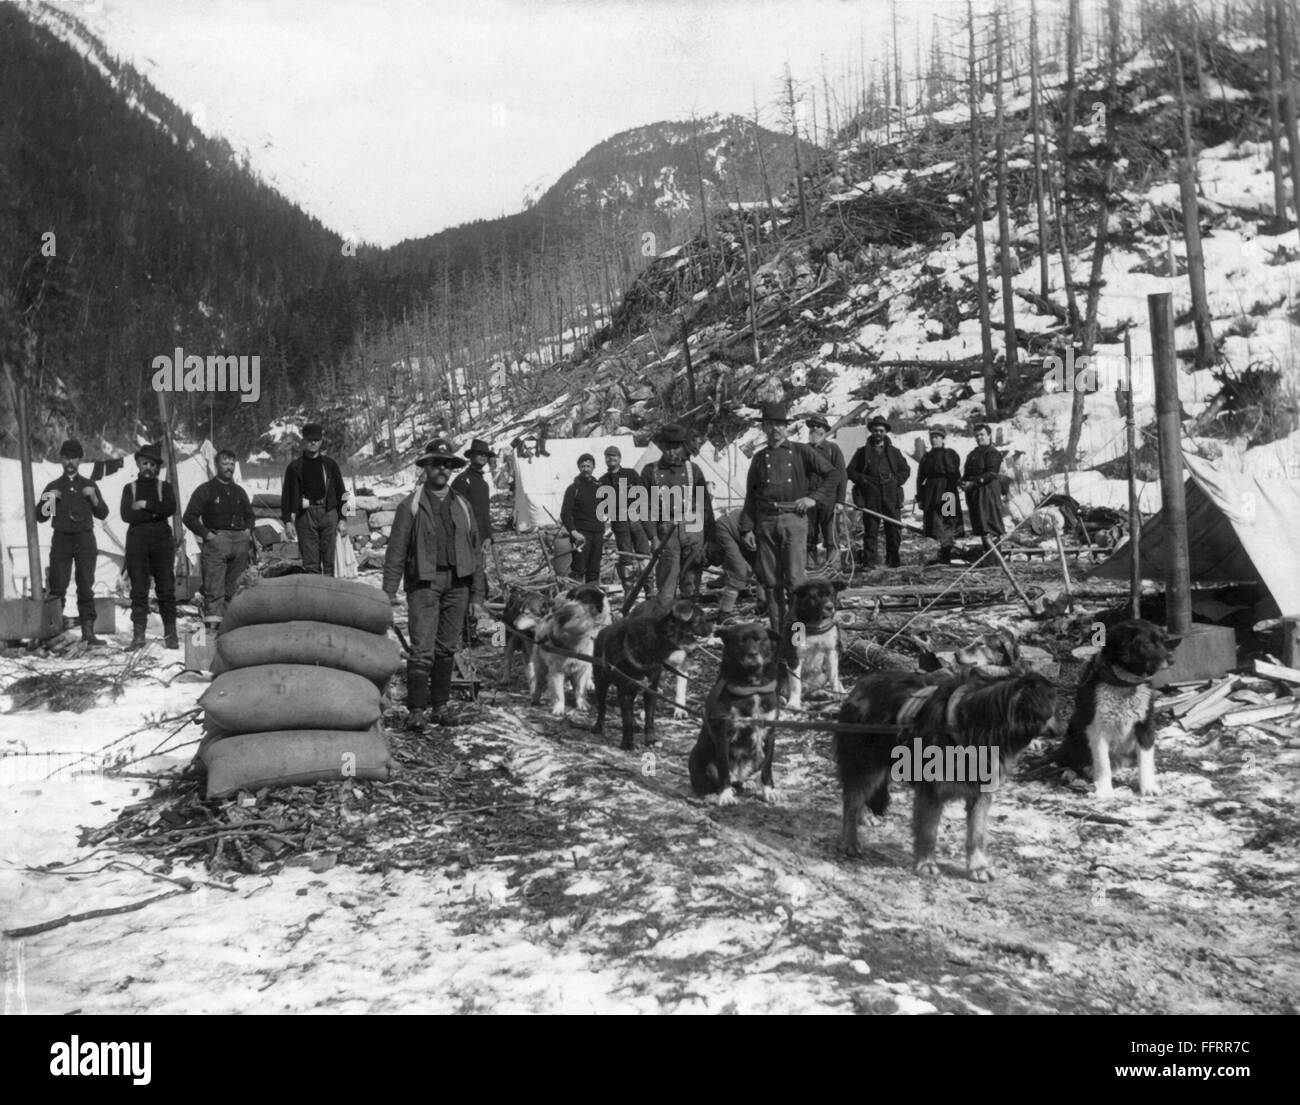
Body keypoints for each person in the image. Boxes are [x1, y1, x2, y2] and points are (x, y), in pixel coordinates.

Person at [383, 438, 480, 731]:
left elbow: (476, 552)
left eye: (446, 464)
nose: (441, 469)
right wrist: (387, 593)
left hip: (458, 584)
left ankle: (440, 706)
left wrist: (477, 594)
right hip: (424, 583)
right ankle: (417, 709)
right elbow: (396, 552)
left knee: (446, 648)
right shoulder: (409, 506)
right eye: (435, 463)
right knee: (422, 648)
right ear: (425, 467)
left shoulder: (463, 505)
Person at [738, 402, 836, 631]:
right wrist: (747, 528)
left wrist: (813, 498)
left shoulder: (802, 451)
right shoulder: (759, 458)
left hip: (794, 521)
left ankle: (797, 638)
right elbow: (751, 496)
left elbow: (833, 474)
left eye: (779, 425)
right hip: (766, 523)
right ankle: (778, 638)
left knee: (795, 583)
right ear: (763, 428)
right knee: (771, 584)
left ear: (786, 428)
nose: (775, 429)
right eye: (770, 424)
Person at [35, 439, 110, 645]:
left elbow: (103, 513)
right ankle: (55, 631)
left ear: (80, 460)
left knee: (86, 585)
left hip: (85, 539)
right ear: (61, 460)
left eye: (74, 457)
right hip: (61, 539)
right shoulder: (53, 486)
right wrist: (50, 500)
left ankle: (88, 632)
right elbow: (40, 517)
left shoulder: (89, 485)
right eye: (66, 457)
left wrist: (93, 498)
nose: (70, 462)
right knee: (58, 585)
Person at [183, 449, 257, 629]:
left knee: (235, 589)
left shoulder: (239, 491)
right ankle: (212, 633)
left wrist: (247, 532)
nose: (229, 467)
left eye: (232, 463)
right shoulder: (205, 490)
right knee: (214, 590)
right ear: (217, 465)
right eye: (225, 463)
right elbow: (189, 517)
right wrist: (208, 535)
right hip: (217, 542)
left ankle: (230, 630)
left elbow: (250, 516)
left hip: (239, 544)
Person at [640, 423, 714, 602]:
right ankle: (665, 620)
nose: (672, 453)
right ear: (661, 447)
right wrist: (653, 537)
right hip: (666, 532)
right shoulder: (650, 471)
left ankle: (687, 621)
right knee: (667, 585)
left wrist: (711, 538)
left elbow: (705, 505)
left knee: (691, 582)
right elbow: (643, 507)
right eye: (668, 448)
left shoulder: (694, 470)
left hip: (693, 530)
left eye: (676, 448)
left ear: (682, 447)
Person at [120, 443, 179, 649]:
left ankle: (171, 634)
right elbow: (127, 515)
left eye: (153, 464)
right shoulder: (129, 489)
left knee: (166, 588)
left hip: (162, 540)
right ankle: (138, 636)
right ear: (138, 464)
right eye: (145, 463)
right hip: (137, 541)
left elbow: (170, 507)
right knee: (139, 589)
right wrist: (157, 512)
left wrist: (145, 506)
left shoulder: (165, 487)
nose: (149, 468)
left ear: (158, 467)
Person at [281, 423, 348, 576]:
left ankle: (331, 598)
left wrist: (344, 518)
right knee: (311, 565)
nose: (313, 443)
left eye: (316, 439)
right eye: (310, 439)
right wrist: (287, 521)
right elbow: (286, 495)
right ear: (303, 441)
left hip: (329, 513)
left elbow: (344, 493)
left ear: (321, 441)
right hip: (305, 516)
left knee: (332, 562)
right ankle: (315, 598)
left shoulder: (330, 465)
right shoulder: (294, 467)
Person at [847, 416, 910, 570]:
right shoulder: (862, 452)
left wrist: (896, 481)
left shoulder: (894, 452)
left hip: (890, 494)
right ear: (871, 432)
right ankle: (869, 562)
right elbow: (850, 471)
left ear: (886, 432)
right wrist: (863, 481)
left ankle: (893, 562)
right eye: (875, 430)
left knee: (893, 529)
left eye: (881, 431)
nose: (878, 433)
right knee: (871, 530)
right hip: (871, 495)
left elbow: (905, 470)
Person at [453, 438, 495, 641]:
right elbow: (456, 513)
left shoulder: (483, 483)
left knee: (480, 586)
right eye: (479, 453)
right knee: (467, 585)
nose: (483, 457)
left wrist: (489, 536)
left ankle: (476, 630)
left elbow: (484, 514)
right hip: (465, 541)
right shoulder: (462, 480)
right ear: (470, 457)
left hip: (480, 541)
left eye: (485, 454)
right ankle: (465, 634)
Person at [599, 445, 654, 597]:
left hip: (636, 519)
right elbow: (601, 505)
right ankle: (629, 591)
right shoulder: (603, 481)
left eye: (614, 456)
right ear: (605, 460)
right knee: (625, 557)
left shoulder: (631, 474)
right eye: (608, 456)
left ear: (620, 458)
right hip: (619, 522)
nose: (612, 458)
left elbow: (643, 494)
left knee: (643, 554)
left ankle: (649, 589)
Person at [916, 428, 965, 566]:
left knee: (948, 520)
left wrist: (953, 487)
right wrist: (920, 496)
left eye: (937, 437)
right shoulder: (926, 457)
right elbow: (920, 478)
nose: (934, 440)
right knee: (935, 522)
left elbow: (955, 473)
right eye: (932, 437)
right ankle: (941, 552)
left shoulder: (950, 454)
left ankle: (946, 555)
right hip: (931, 492)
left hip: (947, 490)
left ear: (943, 439)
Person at [804, 414, 847, 570]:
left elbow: (842, 475)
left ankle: (833, 567)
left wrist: (840, 501)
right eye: (812, 426)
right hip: (809, 499)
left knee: (831, 535)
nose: (815, 428)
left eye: (819, 426)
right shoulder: (804, 450)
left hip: (829, 499)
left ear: (825, 430)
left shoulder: (832, 449)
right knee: (808, 534)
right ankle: (809, 567)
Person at [707, 507, 762, 622]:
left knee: (762, 568)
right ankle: (724, 613)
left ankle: (763, 605)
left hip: (745, 534)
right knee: (739, 571)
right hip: (728, 529)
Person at [560, 453, 606, 584]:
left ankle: (590, 598)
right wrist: (574, 532)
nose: (586, 469)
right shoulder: (573, 488)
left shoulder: (600, 487)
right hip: (581, 534)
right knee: (578, 568)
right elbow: (565, 514)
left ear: (593, 467)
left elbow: (607, 508)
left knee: (594, 568)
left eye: (588, 466)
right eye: (583, 466)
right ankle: (576, 599)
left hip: (597, 532)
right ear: (579, 467)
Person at [962, 423, 1006, 552]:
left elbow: (991, 473)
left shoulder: (993, 453)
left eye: (982, 434)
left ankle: (995, 559)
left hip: (988, 492)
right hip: (975, 493)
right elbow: (967, 473)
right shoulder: (973, 454)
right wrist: (963, 481)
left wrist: (973, 483)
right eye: (976, 435)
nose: (979, 438)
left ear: (989, 435)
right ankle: (988, 554)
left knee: (991, 523)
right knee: (981, 524)